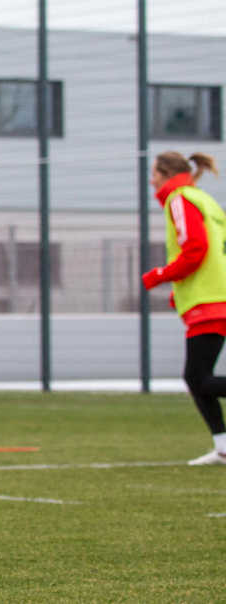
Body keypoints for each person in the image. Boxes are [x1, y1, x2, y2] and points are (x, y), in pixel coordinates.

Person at [141, 151, 226, 466]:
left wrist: (160, 275)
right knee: (196, 377)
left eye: (153, 174)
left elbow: (195, 250)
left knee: (198, 378)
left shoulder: (180, 199)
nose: (151, 180)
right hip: (214, 295)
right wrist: (182, 290)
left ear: (165, 174)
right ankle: (222, 448)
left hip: (211, 300)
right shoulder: (204, 200)